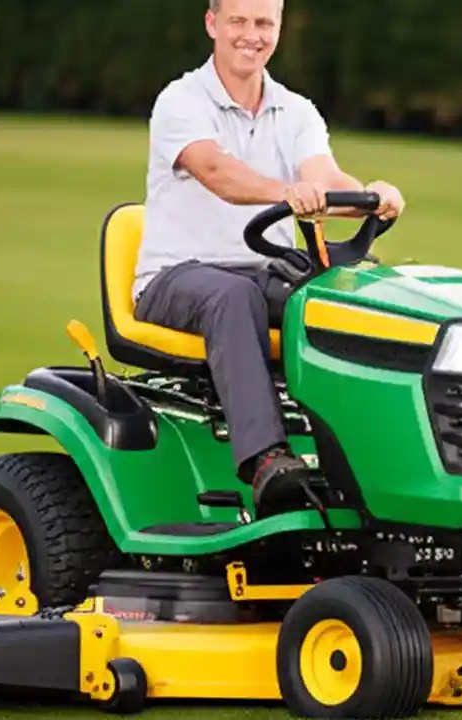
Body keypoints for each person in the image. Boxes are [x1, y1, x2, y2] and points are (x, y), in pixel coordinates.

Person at [131, 0, 406, 515]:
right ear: (212, 24)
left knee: (354, 296)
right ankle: (265, 461)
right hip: (177, 276)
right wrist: (287, 191)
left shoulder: (295, 110)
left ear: (278, 28)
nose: (251, 35)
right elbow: (215, 171)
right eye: (238, 21)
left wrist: (370, 193)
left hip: (265, 271)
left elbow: (323, 176)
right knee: (233, 297)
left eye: (264, 23)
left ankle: (372, 454)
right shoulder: (181, 101)